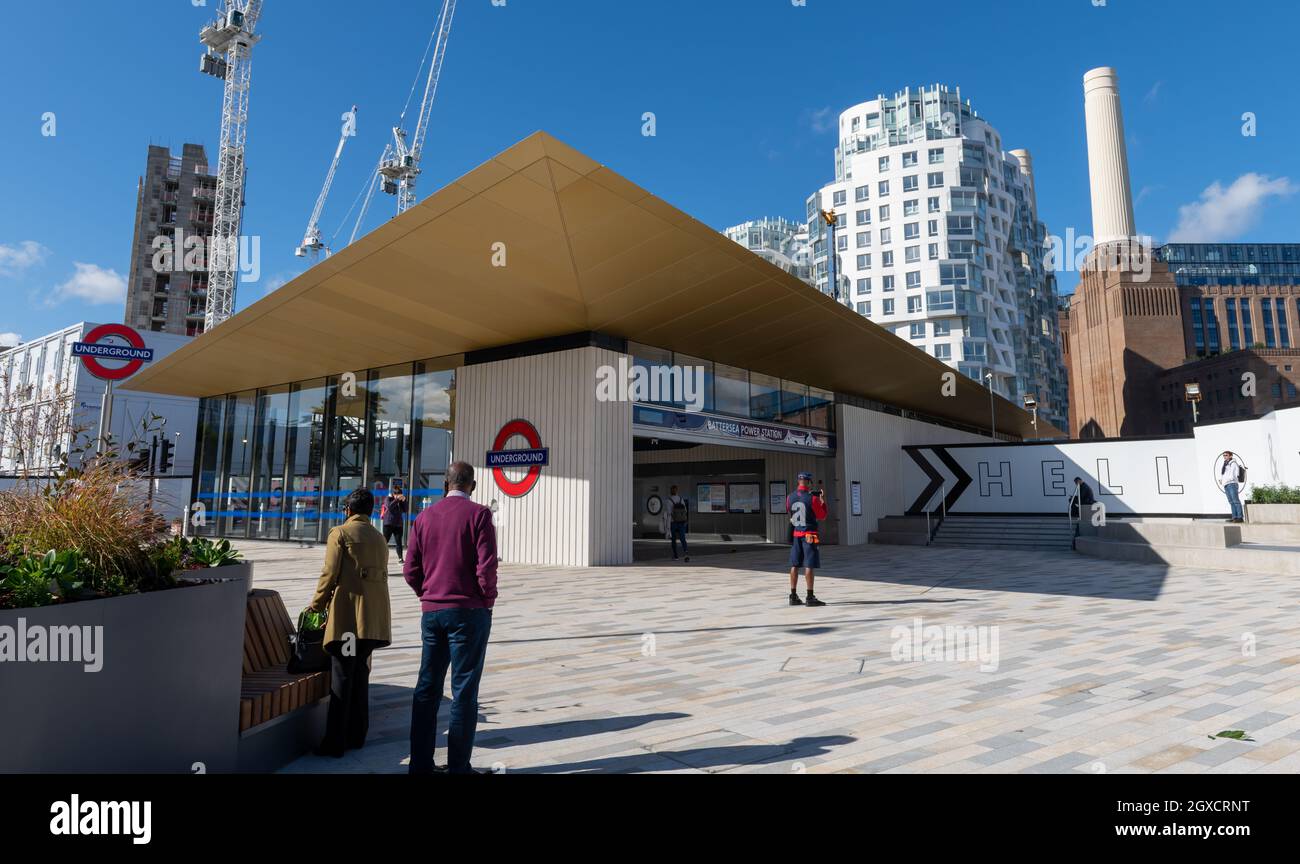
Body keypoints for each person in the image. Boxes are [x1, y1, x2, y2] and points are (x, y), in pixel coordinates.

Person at [404, 461, 498, 775]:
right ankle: (458, 767)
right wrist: (486, 602)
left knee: (427, 688)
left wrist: (427, 595)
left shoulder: (423, 517)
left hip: (432, 612)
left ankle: (420, 765)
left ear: (446, 483)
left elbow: (410, 570)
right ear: (472, 484)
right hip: (469, 612)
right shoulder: (480, 515)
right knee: (464, 690)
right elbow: (486, 568)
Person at [308, 488, 392, 758]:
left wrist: (317, 605)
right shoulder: (380, 538)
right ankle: (358, 736)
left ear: (348, 510)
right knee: (360, 677)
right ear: (369, 512)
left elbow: (329, 573)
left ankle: (335, 743)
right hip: (372, 622)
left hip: (348, 624)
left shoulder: (340, 533)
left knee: (342, 678)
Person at [787, 471, 827, 607]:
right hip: (809, 534)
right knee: (809, 564)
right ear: (809, 482)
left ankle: (793, 595)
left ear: (798, 481)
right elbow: (822, 516)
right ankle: (810, 596)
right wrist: (822, 502)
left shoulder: (790, 497)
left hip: (796, 534)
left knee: (794, 564)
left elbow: (790, 512)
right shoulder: (813, 498)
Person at [381, 478, 409, 563]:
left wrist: (404, 501)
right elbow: (389, 507)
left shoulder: (400, 501)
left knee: (399, 542)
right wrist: (396, 500)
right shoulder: (388, 499)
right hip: (388, 523)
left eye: (400, 494)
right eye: (397, 494)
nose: (399, 496)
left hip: (398, 524)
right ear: (394, 494)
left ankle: (400, 559)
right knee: (384, 542)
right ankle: (381, 557)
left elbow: (405, 510)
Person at [662, 485, 690, 562]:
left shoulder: (669, 500)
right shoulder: (681, 499)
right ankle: (686, 553)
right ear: (677, 491)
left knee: (673, 539)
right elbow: (685, 511)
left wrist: (667, 527)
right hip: (682, 522)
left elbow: (668, 513)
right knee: (682, 538)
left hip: (673, 522)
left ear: (670, 491)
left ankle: (676, 556)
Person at [1220, 451, 1246, 523]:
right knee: (1231, 501)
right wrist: (1223, 481)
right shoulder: (1226, 464)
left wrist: (1226, 480)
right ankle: (1234, 517)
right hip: (1226, 484)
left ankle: (1240, 517)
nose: (1225, 456)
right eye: (1224, 455)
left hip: (1232, 483)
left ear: (1230, 456)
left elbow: (1232, 475)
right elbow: (1225, 474)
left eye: (1226, 455)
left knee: (1235, 501)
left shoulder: (1233, 463)